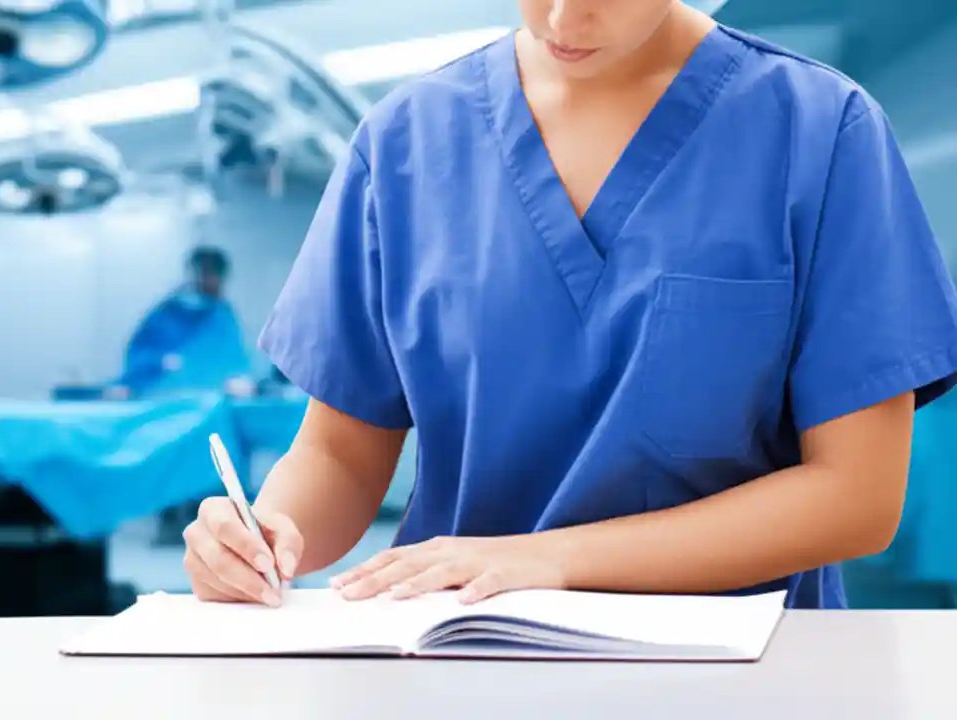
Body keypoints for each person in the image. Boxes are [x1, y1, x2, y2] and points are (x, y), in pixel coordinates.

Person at [181, 0, 957, 610]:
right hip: (459, 661)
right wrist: (267, 537)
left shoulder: (819, 131)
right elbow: (341, 454)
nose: (561, 17)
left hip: (741, 676)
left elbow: (855, 497)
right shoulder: (406, 143)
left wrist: (549, 558)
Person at [111, 246, 250, 400]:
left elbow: (236, 359)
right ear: (194, 275)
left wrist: (240, 378)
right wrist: (161, 362)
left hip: (210, 405)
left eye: (217, 276)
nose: (213, 281)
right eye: (207, 274)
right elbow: (136, 358)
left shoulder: (222, 315)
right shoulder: (166, 315)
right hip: (163, 403)